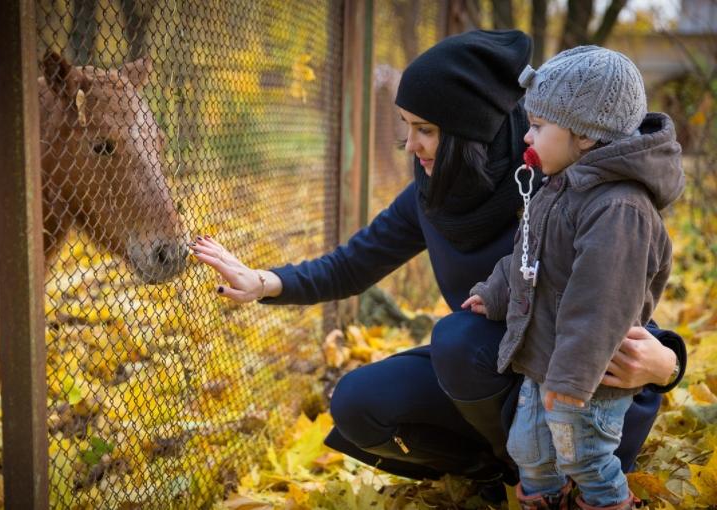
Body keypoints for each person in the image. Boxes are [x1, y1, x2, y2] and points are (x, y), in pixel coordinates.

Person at [190, 30, 686, 503]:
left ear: (470, 129)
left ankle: (565, 478)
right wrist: (263, 282)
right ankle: (502, 473)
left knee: (458, 338)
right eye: (406, 126)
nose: (410, 145)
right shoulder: (435, 194)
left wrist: (668, 365)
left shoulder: (560, 174)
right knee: (357, 402)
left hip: (586, 389)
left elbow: (613, 297)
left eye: (425, 129)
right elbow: (352, 264)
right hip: (501, 373)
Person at [463, 46, 684, 509]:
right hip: (545, 362)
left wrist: (572, 378)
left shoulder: (618, 207)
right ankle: (545, 498)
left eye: (539, 126)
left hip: (590, 376)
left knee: (585, 455)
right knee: (529, 449)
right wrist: (497, 291)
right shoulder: (563, 184)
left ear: (584, 135)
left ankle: (609, 502)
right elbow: (530, 254)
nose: (528, 135)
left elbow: (601, 303)